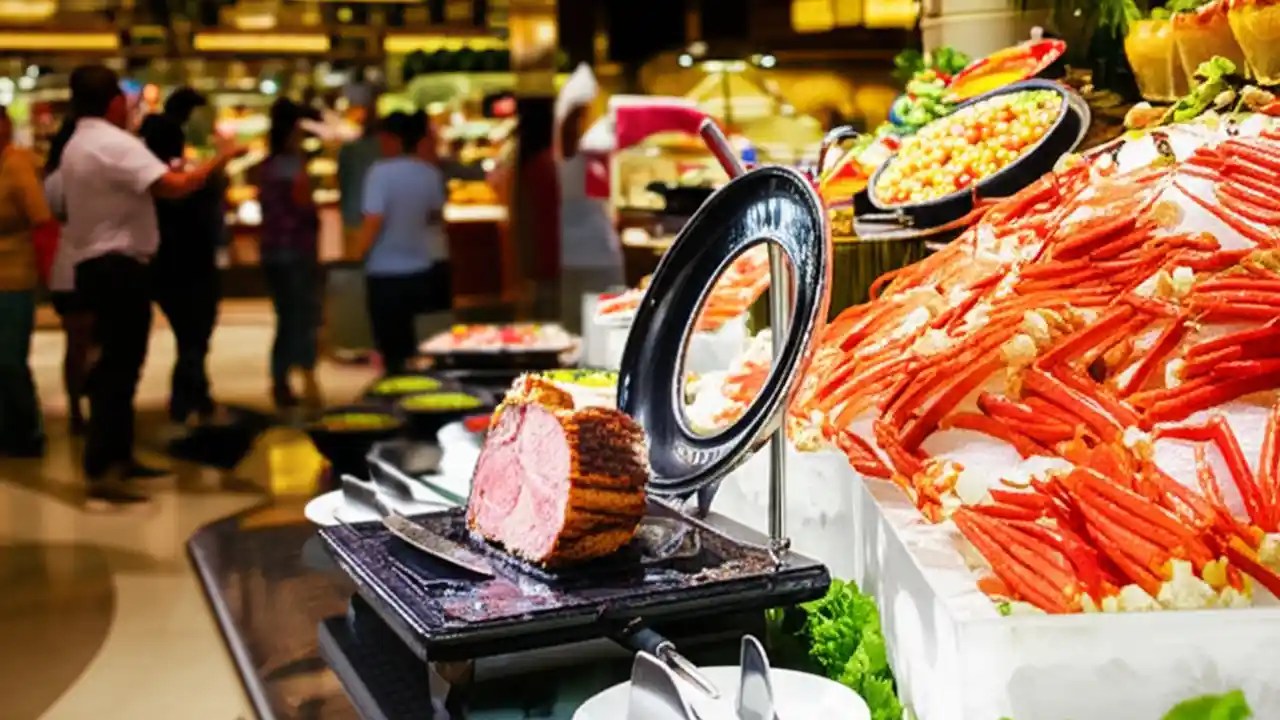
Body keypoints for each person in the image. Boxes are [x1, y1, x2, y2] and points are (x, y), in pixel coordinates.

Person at [60, 64, 240, 505]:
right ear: (115, 102)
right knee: (119, 369)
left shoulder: (77, 144)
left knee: (118, 365)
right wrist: (222, 157)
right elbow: (174, 185)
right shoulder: (113, 144)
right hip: (117, 266)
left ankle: (118, 458)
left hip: (96, 265)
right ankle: (104, 468)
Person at [140, 87, 226, 425]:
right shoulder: (182, 182)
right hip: (193, 263)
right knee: (195, 336)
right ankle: (186, 398)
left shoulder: (148, 179)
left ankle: (196, 394)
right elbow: (207, 208)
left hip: (162, 264)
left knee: (190, 336)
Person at [357, 111, 451, 373]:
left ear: (392, 139)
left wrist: (357, 253)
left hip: (384, 273)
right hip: (421, 270)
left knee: (391, 354)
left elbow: (373, 220)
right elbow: (435, 218)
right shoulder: (429, 174)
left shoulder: (378, 173)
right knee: (419, 350)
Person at [254, 98, 322, 411]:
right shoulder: (294, 165)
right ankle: (306, 378)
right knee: (302, 315)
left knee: (285, 315)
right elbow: (302, 200)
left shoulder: (266, 165)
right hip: (296, 247)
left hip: (271, 248)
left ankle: (280, 378)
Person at [0, 107, 53, 457]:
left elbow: (43, 220)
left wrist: (51, 276)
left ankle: (26, 430)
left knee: (9, 359)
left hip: (14, 277)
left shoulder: (18, 165)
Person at [554, 65, 623, 333]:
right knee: (607, 329)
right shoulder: (593, 157)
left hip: (569, 255)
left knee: (575, 330)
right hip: (599, 254)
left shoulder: (561, 163)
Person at [43, 115, 92, 436]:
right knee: (89, 343)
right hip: (83, 266)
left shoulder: (55, 179)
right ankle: (84, 406)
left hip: (67, 268)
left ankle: (77, 407)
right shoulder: (82, 174)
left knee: (76, 344)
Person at [337, 104, 380, 259]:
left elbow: (342, 181)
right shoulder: (386, 152)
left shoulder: (348, 150)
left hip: (352, 216)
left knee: (355, 266)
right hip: (378, 220)